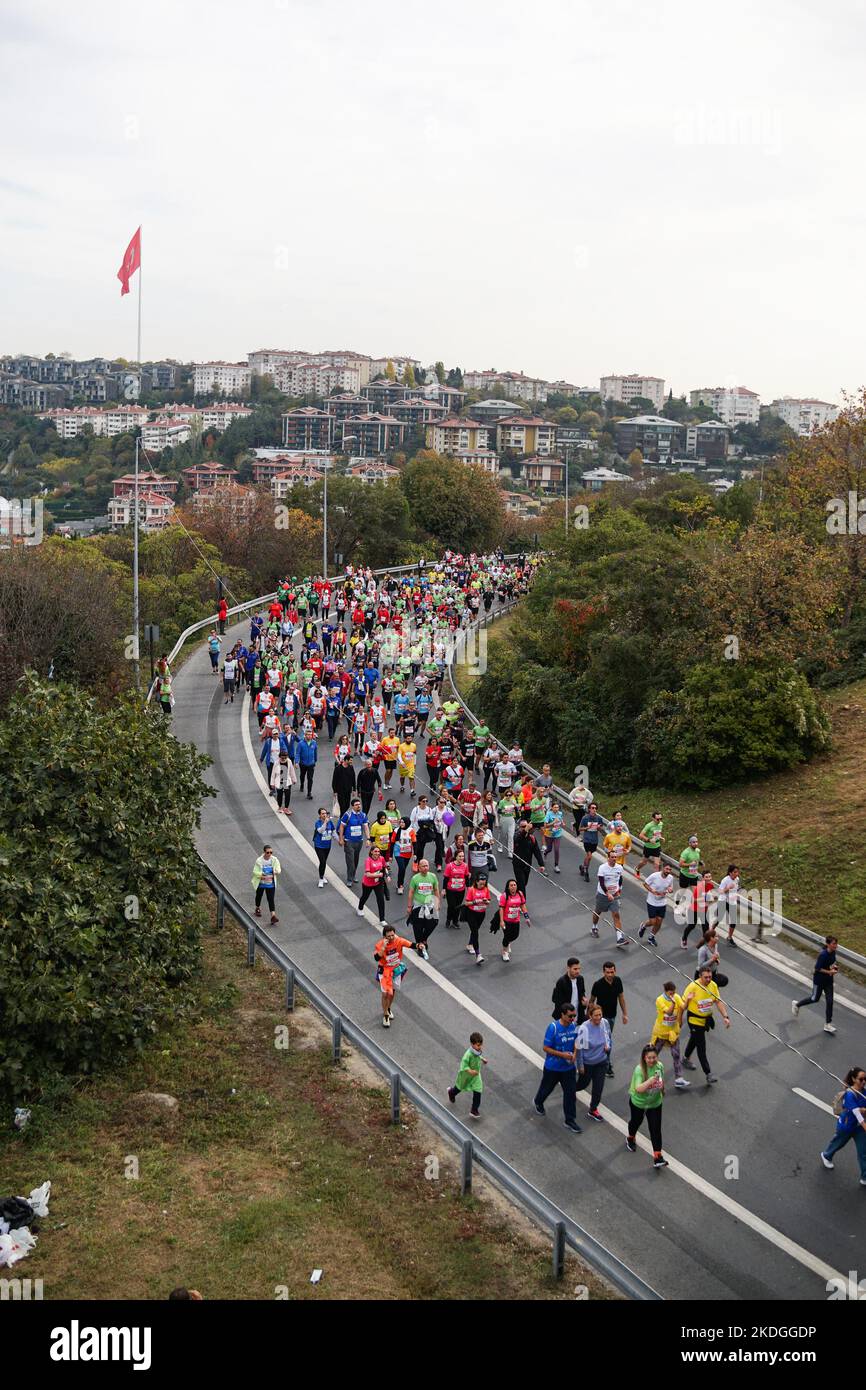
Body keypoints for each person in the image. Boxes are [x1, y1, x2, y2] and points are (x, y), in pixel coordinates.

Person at [532, 1003, 582, 1134]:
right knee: (547, 1089)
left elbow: (576, 1042)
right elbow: (546, 1048)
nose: (573, 1018)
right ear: (563, 1014)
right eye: (570, 1016)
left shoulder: (573, 1027)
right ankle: (538, 1101)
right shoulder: (553, 1028)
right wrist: (563, 1055)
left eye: (574, 1015)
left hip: (568, 1068)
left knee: (570, 1094)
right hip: (553, 1068)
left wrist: (574, 1055)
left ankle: (570, 1120)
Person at [681, 966, 731, 1083]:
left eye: (710, 977)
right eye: (706, 977)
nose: (708, 979)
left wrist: (725, 1017)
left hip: (705, 1020)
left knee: (694, 1039)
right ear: (700, 976)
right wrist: (688, 1000)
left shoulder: (713, 985)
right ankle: (708, 1073)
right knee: (701, 1046)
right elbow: (683, 1007)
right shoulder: (692, 987)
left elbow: (718, 1002)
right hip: (694, 1020)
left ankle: (685, 1059)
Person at [820, 1066, 866, 1185]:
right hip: (847, 1126)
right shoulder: (849, 1095)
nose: (864, 1081)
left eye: (865, 1079)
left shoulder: (864, 1091)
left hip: (859, 1128)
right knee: (839, 1143)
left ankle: (865, 1177)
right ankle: (827, 1155)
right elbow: (857, 1114)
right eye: (861, 1079)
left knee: (863, 1151)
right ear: (853, 1079)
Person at [626, 1044, 669, 1168]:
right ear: (644, 1058)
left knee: (655, 1128)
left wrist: (662, 1090)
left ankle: (657, 1156)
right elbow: (639, 1089)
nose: (652, 1060)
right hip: (639, 1103)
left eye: (654, 1057)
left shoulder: (659, 1066)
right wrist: (651, 1080)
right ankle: (631, 1137)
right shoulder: (639, 1070)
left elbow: (661, 1080)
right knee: (636, 1122)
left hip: (655, 1103)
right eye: (649, 1058)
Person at [373, 925, 423, 1028]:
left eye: (392, 935)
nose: (391, 938)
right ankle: (385, 1015)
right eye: (388, 936)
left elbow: (410, 944)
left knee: (392, 992)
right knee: (385, 993)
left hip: (396, 970)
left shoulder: (398, 940)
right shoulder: (380, 944)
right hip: (385, 972)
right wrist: (383, 947)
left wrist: (419, 945)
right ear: (384, 936)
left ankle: (388, 1008)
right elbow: (376, 958)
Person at [793, 935, 838, 1034]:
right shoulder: (823, 955)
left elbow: (832, 962)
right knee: (814, 999)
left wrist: (834, 967)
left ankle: (827, 1024)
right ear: (828, 944)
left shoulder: (833, 952)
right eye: (834, 943)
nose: (836, 945)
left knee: (830, 1002)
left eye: (836, 943)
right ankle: (797, 1005)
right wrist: (829, 972)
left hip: (829, 982)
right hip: (819, 981)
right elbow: (817, 968)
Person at [589, 963, 628, 1078]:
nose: (610, 974)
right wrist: (590, 1016)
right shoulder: (598, 984)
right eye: (607, 972)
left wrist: (625, 1014)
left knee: (605, 1040)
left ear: (615, 971)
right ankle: (606, 1065)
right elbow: (592, 1001)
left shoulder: (618, 981)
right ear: (603, 972)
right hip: (599, 1018)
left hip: (612, 1017)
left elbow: (621, 997)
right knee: (607, 1040)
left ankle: (601, 1061)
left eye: (612, 972)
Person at [575, 1002, 612, 1121]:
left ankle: (593, 1109)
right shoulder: (584, 1028)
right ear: (590, 1016)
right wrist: (580, 1065)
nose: (598, 1018)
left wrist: (608, 1047)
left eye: (600, 1015)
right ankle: (570, 1090)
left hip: (601, 1061)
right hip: (588, 1063)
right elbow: (579, 1049)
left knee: (598, 1087)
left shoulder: (605, 1023)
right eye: (595, 1015)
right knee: (583, 1084)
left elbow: (609, 1038)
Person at [650, 981, 690, 1089]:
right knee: (653, 1055)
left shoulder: (676, 996)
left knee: (676, 1055)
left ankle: (679, 1079)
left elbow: (683, 1007)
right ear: (666, 991)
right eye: (671, 993)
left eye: (674, 992)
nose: (673, 994)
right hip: (661, 1033)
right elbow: (668, 1012)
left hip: (673, 1033)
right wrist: (673, 1003)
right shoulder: (659, 1000)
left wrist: (689, 999)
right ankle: (650, 1077)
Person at [406, 858, 440, 959]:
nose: (426, 868)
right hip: (418, 906)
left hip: (429, 905)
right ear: (419, 868)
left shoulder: (433, 876)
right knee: (418, 927)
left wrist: (437, 903)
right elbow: (411, 892)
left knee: (434, 922)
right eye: (423, 866)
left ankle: (424, 939)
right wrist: (409, 906)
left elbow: (436, 890)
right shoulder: (415, 878)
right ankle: (420, 946)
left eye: (427, 866)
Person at [447, 1032, 487, 1119]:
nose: (480, 1047)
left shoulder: (477, 1051)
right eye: (478, 1045)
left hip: (476, 1076)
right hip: (466, 1076)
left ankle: (474, 1110)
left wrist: (483, 1059)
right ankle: (451, 1092)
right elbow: (463, 1065)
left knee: (478, 1090)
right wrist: (470, 1071)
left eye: (481, 1045)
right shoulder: (468, 1054)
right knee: (459, 1088)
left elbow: (478, 1056)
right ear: (472, 1044)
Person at [591, 849, 627, 947]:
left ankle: (619, 938)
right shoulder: (602, 868)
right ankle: (594, 927)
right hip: (603, 894)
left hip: (614, 895)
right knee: (598, 912)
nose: (614, 859)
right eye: (612, 857)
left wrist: (619, 889)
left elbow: (620, 879)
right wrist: (607, 893)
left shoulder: (619, 868)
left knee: (616, 915)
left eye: (615, 857)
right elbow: (601, 882)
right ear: (608, 858)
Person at [638, 862, 674, 946]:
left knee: (659, 922)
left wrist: (670, 889)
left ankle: (651, 937)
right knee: (653, 922)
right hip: (652, 902)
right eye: (667, 869)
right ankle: (643, 926)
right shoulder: (654, 876)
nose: (668, 871)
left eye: (670, 870)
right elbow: (645, 884)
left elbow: (670, 887)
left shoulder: (670, 878)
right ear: (662, 868)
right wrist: (652, 890)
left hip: (662, 902)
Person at [496, 878, 529, 963]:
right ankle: (504, 952)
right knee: (507, 936)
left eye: (515, 885)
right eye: (511, 885)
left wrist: (526, 917)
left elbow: (523, 906)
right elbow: (501, 909)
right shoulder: (505, 896)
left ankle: (508, 943)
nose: (513, 887)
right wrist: (501, 921)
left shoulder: (520, 894)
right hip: (506, 920)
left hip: (516, 920)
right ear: (508, 887)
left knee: (515, 935)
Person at [357, 846, 390, 926]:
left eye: (378, 851)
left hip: (378, 883)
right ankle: (360, 908)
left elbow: (385, 868)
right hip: (368, 883)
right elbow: (367, 874)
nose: (377, 853)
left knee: (381, 900)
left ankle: (382, 919)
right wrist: (378, 874)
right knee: (365, 897)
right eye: (375, 851)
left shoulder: (381, 858)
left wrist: (387, 876)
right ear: (371, 852)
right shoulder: (368, 860)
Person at [512, 819, 545, 899]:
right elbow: (517, 839)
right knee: (522, 885)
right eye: (523, 827)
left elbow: (537, 852)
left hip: (527, 865)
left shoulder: (532, 838)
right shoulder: (517, 835)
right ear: (519, 827)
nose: (525, 828)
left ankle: (515, 892)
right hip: (518, 865)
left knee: (524, 883)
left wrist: (541, 864)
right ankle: (522, 903)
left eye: (526, 826)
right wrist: (525, 831)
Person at [339, 797, 369, 884]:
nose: (358, 806)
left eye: (359, 804)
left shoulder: (363, 815)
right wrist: (341, 839)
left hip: (359, 841)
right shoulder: (347, 815)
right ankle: (349, 879)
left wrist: (368, 838)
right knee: (350, 861)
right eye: (356, 805)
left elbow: (366, 827)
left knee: (356, 860)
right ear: (352, 806)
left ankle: (353, 875)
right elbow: (341, 826)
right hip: (349, 842)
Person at [462, 873, 490, 964]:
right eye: (481, 884)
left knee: (475, 930)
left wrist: (486, 901)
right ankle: (478, 955)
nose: (482, 885)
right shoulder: (471, 890)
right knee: (475, 932)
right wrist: (475, 901)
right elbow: (466, 903)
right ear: (476, 882)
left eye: (484, 884)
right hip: (471, 913)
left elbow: (489, 901)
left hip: (481, 913)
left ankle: (470, 944)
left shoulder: (486, 889)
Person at [552, 958, 587, 1025]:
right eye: (575, 969)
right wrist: (563, 1019)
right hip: (565, 1019)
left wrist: (584, 1002)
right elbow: (558, 1002)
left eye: (579, 968)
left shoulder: (580, 979)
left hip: (578, 1018)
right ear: (568, 968)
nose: (578, 971)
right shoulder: (561, 982)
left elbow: (582, 993)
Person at [251, 845, 280, 924]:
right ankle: (257, 908)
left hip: (270, 884)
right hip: (261, 883)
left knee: (271, 899)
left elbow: (278, 869)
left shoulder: (274, 860)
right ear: (264, 852)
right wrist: (261, 875)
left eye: (271, 852)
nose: (269, 854)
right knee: (259, 896)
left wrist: (275, 872)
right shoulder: (259, 860)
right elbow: (255, 872)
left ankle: (273, 916)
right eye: (268, 852)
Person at [715, 864, 740, 946]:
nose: (737, 874)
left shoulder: (737, 879)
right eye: (735, 872)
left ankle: (729, 937)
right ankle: (709, 933)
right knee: (718, 919)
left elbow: (735, 889)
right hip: (723, 901)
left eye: (737, 872)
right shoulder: (725, 880)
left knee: (733, 921)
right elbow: (720, 891)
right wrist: (728, 888)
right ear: (730, 873)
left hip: (732, 902)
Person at [443, 848, 469, 929]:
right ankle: (448, 919)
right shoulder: (449, 866)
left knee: (458, 906)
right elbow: (446, 879)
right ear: (456, 857)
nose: (461, 858)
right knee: (451, 905)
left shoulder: (465, 866)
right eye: (460, 856)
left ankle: (455, 921)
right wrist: (443, 889)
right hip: (450, 890)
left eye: (463, 856)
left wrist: (468, 888)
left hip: (461, 890)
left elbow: (467, 877)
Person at [635, 811, 664, 877]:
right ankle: (637, 868)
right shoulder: (649, 826)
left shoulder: (661, 824)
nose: (659, 820)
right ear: (653, 818)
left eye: (661, 819)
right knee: (644, 862)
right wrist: (649, 840)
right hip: (648, 847)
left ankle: (656, 879)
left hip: (657, 846)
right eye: (657, 819)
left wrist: (661, 837)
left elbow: (657, 833)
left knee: (657, 864)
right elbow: (641, 835)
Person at [578, 803, 603, 880]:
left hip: (594, 840)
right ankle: (586, 872)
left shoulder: (599, 818)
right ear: (589, 809)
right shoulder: (585, 818)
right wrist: (587, 827)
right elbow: (579, 829)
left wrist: (599, 828)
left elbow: (601, 829)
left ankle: (582, 867)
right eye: (592, 808)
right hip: (587, 839)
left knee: (589, 856)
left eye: (595, 808)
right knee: (589, 856)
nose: (594, 809)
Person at [312, 807, 336, 887]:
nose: (324, 815)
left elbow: (333, 832)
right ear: (319, 815)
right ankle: (321, 879)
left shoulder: (330, 822)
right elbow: (321, 831)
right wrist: (325, 822)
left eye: (325, 813)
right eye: (322, 813)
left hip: (327, 845)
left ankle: (322, 875)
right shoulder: (318, 823)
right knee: (322, 862)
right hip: (319, 846)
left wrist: (339, 840)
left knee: (324, 862)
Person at [270, 750, 297, 815]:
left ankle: (286, 808)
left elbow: (291, 771)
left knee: (288, 795)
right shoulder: (276, 763)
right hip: (279, 782)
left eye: (285, 758)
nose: (284, 759)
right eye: (282, 758)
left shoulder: (289, 761)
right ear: (279, 757)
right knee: (280, 795)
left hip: (287, 781)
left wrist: (294, 779)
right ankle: (279, 807)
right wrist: (272, 783)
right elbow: (273, 774)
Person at [542, 801, 565, 873]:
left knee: (556, 849)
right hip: (549, 834)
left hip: (557, 834)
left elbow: (561, 820)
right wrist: (553, 822)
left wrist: (562, 823)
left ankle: (556, 866)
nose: (556, 809)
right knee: (549, 849)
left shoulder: (560, 813)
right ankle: (545, 853)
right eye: (555, 807)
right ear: (552, 808)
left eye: (557, 807)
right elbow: (545, 825)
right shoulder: (548, 814)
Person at [296, 731, 318, 798]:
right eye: (307, 735)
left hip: (311, 764)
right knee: (302, 775)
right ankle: (302, 784)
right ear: (305, 735)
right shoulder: (300, 743)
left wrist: (315, 760)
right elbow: (298, 753)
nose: (309, 736)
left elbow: (315, 752)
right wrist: (296, 762)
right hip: (303, 763)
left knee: (310, 778)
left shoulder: (314, 743)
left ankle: (309, 792)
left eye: (310, 735)